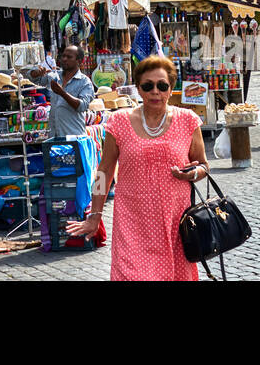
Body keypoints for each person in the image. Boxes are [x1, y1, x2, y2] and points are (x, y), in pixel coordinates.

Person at [66, 55, 208, 280]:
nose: (155, 91)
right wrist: (94, 214)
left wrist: (193, 173)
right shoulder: (119, 122)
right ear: (139, 89)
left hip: (175, 226)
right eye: (147, 86)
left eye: (162, 86)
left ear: (171, 89)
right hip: (132, 225)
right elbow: (104, 172)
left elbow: (203, 166)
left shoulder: (187, 120)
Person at [29, 43, 95, 138]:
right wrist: (36, 73)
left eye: (69, 57)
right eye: (63, 56)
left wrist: (62, 93)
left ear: (79, 61)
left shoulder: (85, 82)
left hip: (73, 137)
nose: (64, 59)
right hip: (54, 137)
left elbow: (82, 106)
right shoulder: (55, 76)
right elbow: (34, 78)